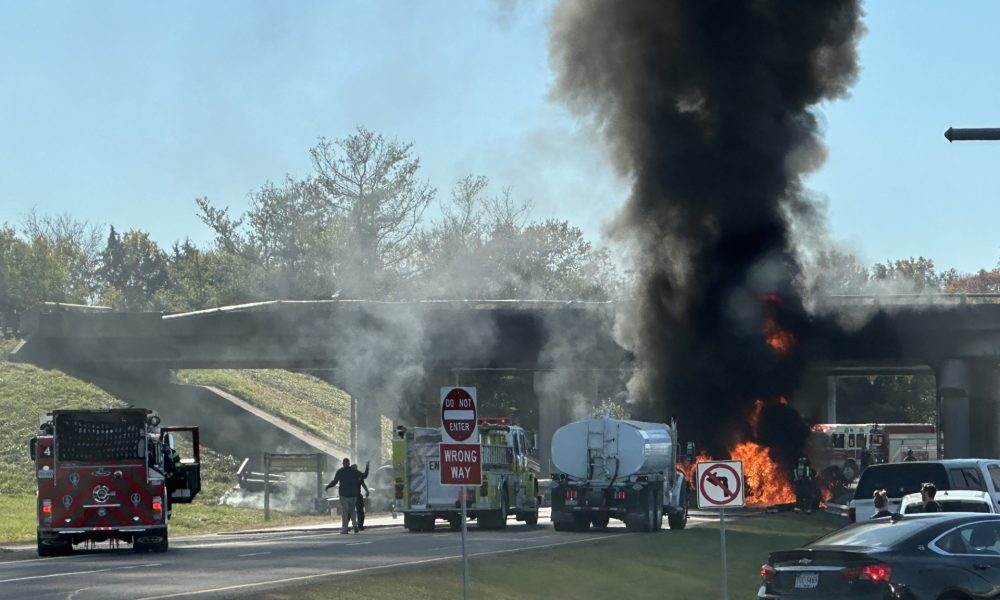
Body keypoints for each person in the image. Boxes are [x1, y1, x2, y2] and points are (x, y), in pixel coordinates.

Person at [325, 457, 363, 534]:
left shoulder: (340, 471)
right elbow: (364, 475)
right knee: (352, 511)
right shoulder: (354, 471)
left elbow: (335, 482)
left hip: (344, 495)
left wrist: (328, 486)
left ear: (343, 463)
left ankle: (344, 529)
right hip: (353, 495)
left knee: (345, 513)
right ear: (349, 463)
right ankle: (355, 525)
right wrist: (367, 468)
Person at [354, 461, 370, 530]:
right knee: (350, 512)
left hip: (356, 495)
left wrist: (367, 490)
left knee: (360, 511)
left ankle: (360, 525)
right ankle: (350, 525)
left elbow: (363, 482)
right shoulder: (351, 474)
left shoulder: (357, 474)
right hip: (352, 495)